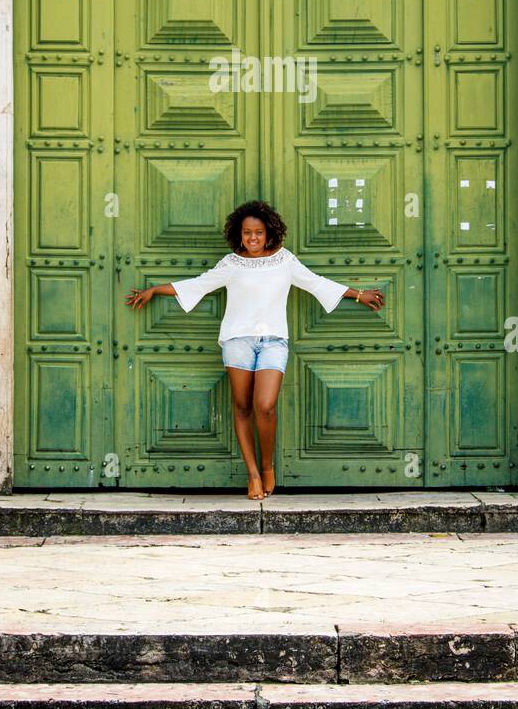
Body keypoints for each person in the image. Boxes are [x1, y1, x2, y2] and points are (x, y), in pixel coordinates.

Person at [125, 200, 385, 501]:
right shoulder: (231, 264)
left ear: (269, 232)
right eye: (247, 233)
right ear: (239, 234)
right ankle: (253, 475)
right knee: (242, 407)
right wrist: (155, 290)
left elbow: (316, 283)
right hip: (237, 341)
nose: (252, 238)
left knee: (265, 405)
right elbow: (198, 284)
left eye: (258, 232)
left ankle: (267, 465)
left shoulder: (285, 261)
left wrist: (358, 295)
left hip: (274, 341)